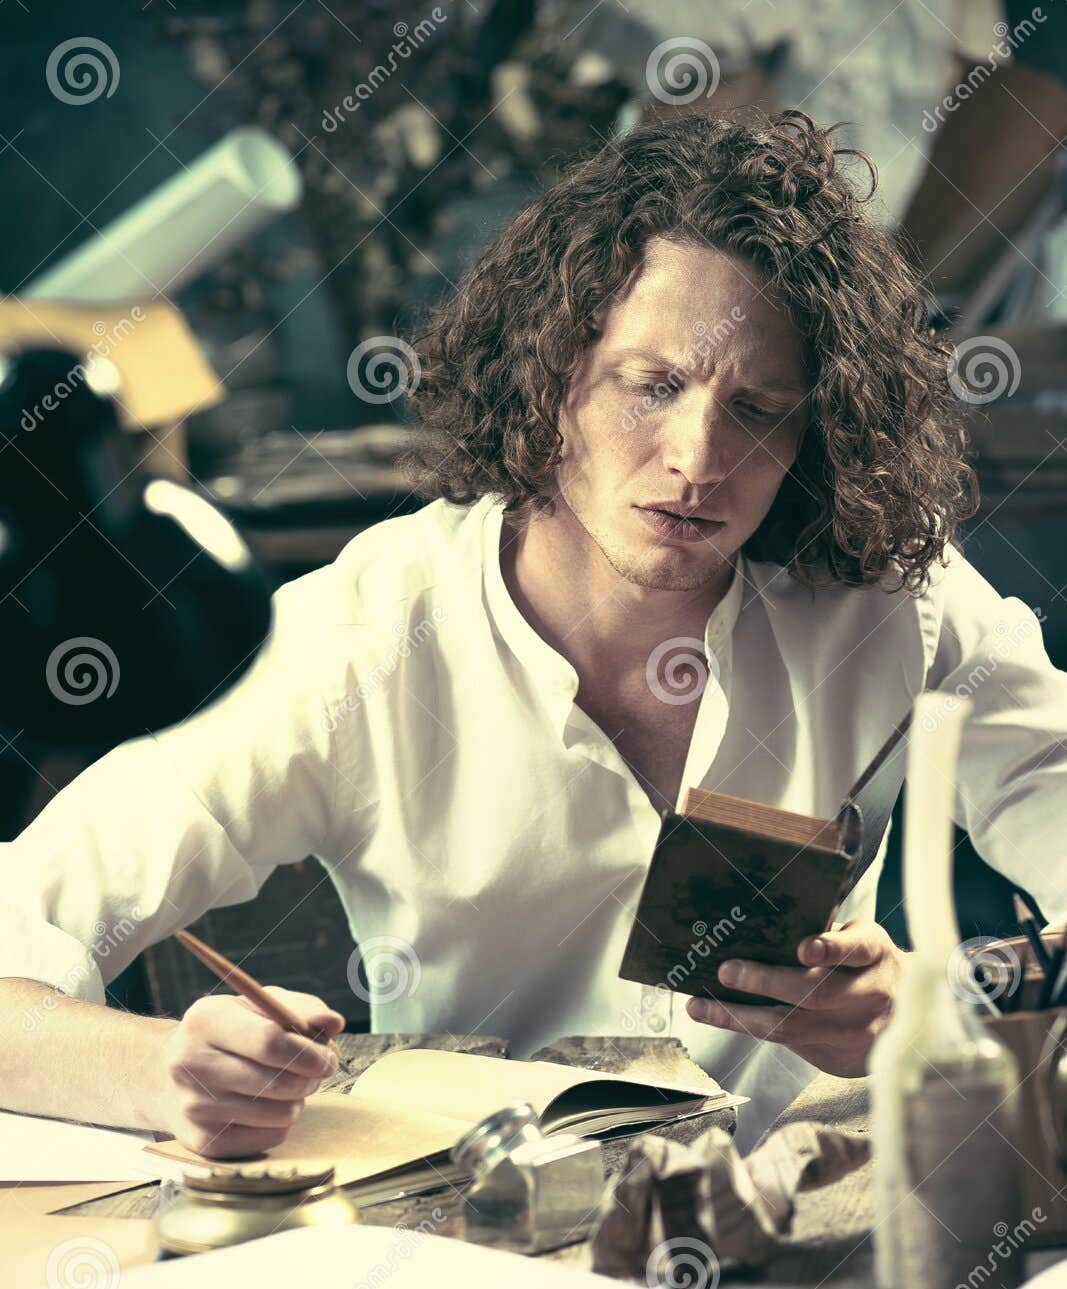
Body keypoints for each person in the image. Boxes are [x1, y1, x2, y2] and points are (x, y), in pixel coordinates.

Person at [2, 111, 1065, 1157]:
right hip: (477, 1222)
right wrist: (162, 1070)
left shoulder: (890, 599)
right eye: (652, 386)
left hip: (804, 1213)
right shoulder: (362, 637)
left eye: (756, 409)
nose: (696, 458)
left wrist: (938, 996)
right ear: (550, 371)